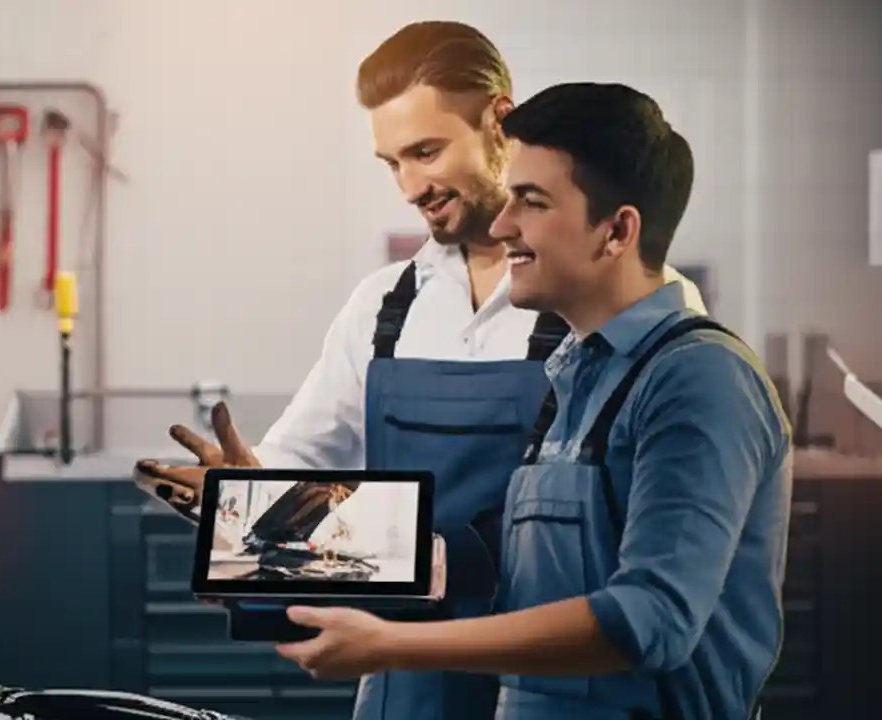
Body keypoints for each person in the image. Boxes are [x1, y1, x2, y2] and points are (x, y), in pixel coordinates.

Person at [137, 22, 708, 720]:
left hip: (553, 682)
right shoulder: (383, 306)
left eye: (426, 152)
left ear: (500, 120)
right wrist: (245, 507)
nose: (411, 186)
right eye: (391, 163)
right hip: (400, 680)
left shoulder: (617, 297)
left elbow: (636, 566)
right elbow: (305, 466)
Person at [273, 82, 794, 720]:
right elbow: (502, 576)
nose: (501, 224)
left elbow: (649, 619)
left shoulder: (700, 378)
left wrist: (395, 644)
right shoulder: (574, 377)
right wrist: (273, 558)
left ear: (617, 231)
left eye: (532, 201)